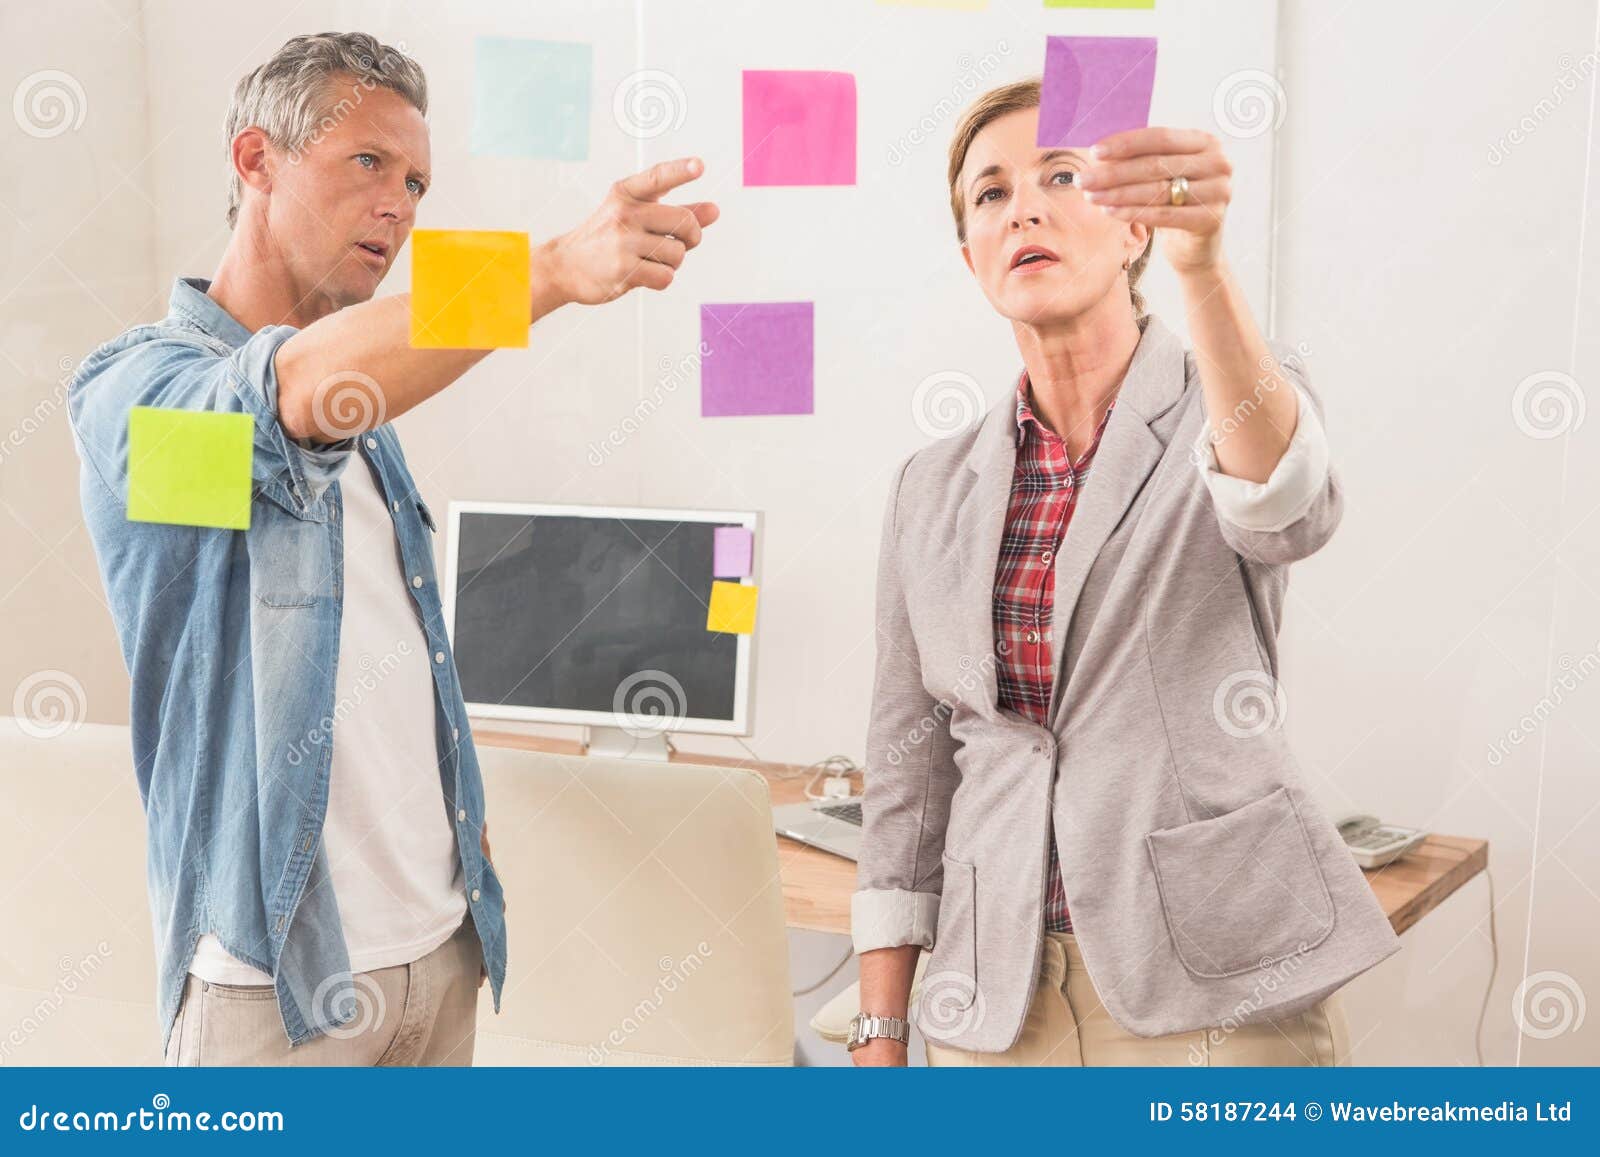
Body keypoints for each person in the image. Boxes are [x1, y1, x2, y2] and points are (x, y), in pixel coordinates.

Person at [69, 31, 717, 1065]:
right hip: (275, 983)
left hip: (439, 954)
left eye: (416, 180)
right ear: (256, 162)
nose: (400, 205)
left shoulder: (368, 419)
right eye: (366, 162)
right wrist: (547, 270)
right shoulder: (134, 397)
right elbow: (275, 405)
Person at [848, 78, 1398, 1066]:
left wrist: (1206, 268)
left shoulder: (1227, 399)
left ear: (1133, 228)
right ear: (972, 255)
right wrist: (879, 1031)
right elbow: (909, 774)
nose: (1023, 206)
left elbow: (1286, 508)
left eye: (1062, 176)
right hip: (994, 1000)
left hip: (1216, 988)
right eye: (990, 193)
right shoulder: (928, 488)